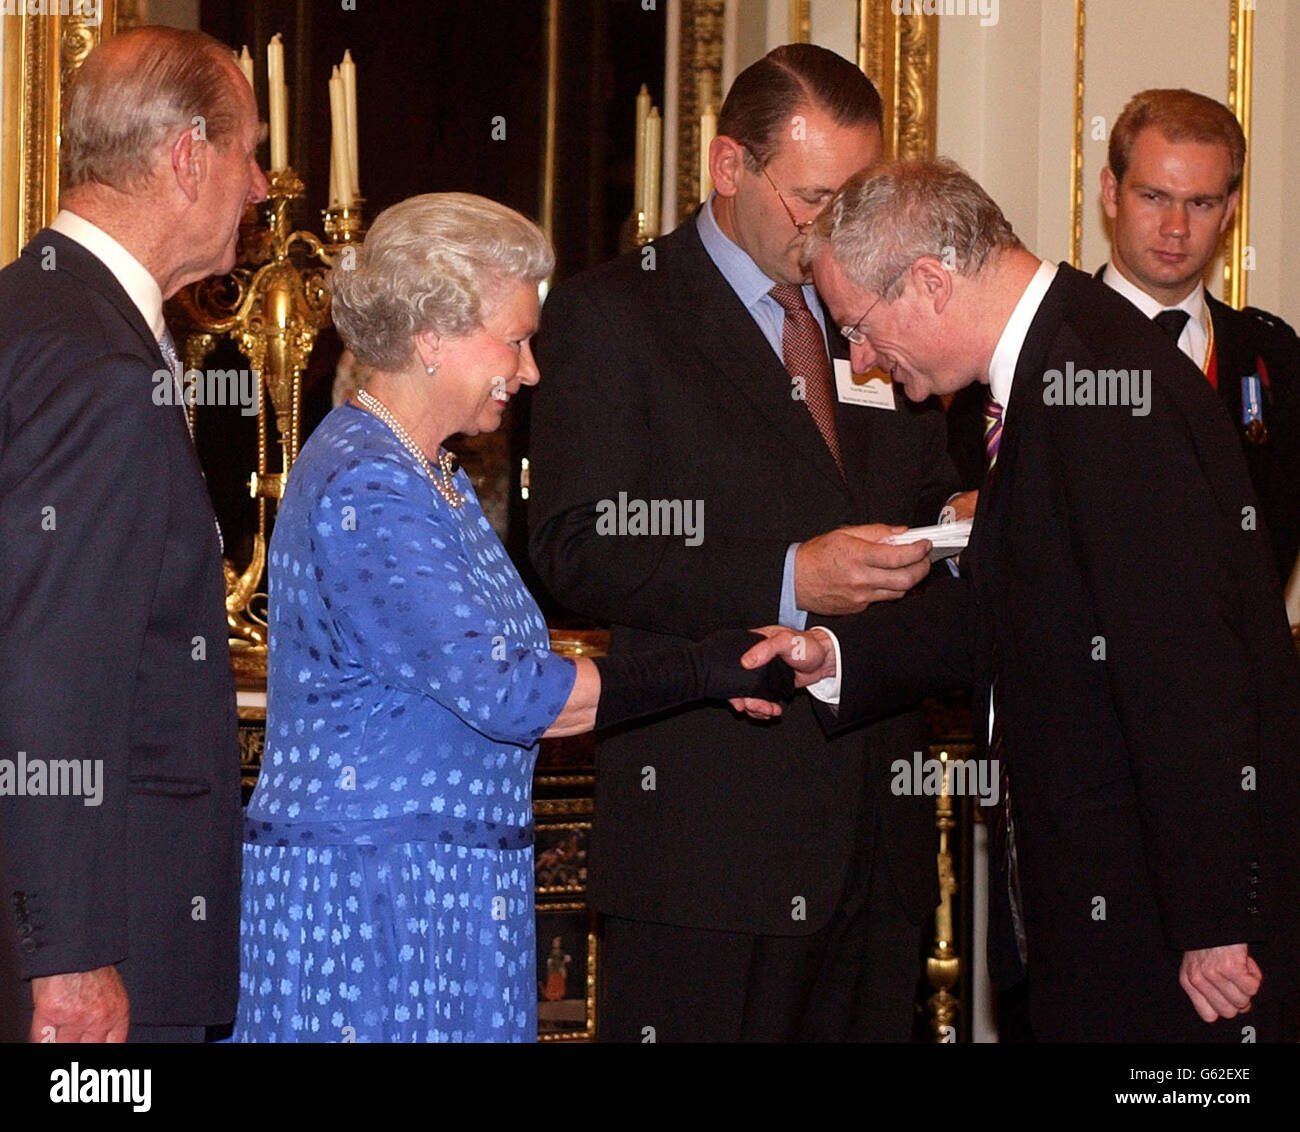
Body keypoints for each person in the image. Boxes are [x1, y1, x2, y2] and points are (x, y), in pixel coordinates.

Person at [742, 159, 1300, 1042]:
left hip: (1165, 928)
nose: (858, 359)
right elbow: (1017, 603)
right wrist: (837, 656)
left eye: (857, 327)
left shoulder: (1101, 385)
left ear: (929, 281)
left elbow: (1188, 667)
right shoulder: (1055, 362)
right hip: (1101, 896)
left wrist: (1214, 920)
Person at [232, 192, 793, 1043]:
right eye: (516, 339)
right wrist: (710, 667)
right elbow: (513, 693)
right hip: (371, 907)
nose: (530, 371)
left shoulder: (433, 478)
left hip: (433, 893)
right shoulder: (366, 484)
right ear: (430, 336)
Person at [528, 44, 960, 1042]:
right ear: (729, 167)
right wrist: (787, 573)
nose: (838, 229)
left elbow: (922, 495)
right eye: (814, 197)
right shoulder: (613, 312)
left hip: (875, 842)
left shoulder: (875, 317)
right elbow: (573, 545)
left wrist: (963, 520)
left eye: (857, 198)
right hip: (709, 851)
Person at [0, 27, 266, 1042]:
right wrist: (68, 958)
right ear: (187, 156)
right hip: (106, 944)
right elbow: (50, 674)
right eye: (248, 155)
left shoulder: (30, 314)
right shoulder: (103, 372)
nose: (256, 189)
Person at [1099, 88, 1300, 584]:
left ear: (1230, 209)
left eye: (1201, 204)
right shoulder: (1040, 339)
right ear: (1110, 192)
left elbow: (1277, 532)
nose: (1176, 228)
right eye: (1154, 197)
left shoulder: (1271, 352)